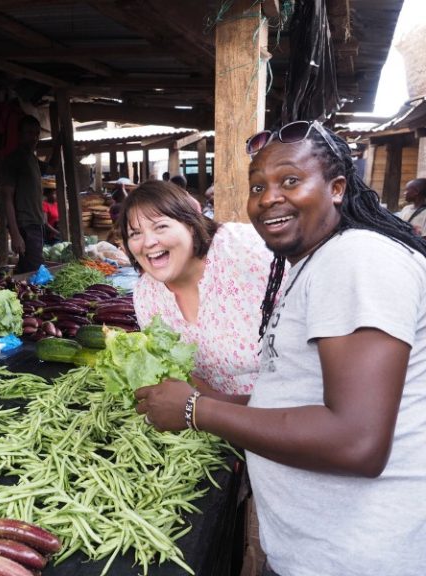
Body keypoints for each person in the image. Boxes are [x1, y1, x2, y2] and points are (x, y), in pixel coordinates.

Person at [134, 120, 426, 576]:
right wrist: (214, 400)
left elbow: (357, 442)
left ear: (336, 187)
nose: (268, 198)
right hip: (318, 548)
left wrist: (196, 411)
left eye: (290, 181)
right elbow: (298, 399)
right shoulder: (316, 265)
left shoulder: (358, 260)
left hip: (357, 556)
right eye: (257, 187)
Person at [119, 180, 276, 396]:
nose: (148, 242)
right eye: (135, 234)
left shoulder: (245, 249)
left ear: (191, 225)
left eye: (161, 226)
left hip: (300, 413)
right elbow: (181, 373)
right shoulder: (146, 296)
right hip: (216, 421)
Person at [0, 115, 45, 273]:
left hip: (35, 223)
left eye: (37, 133)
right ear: (19, 135)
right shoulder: (13, 159)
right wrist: (15, 233)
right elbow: (7, 198)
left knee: (30, 268)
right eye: (29, 133)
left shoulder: (32, 158)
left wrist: (59, 144)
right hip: (25, 224)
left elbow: (53, 168)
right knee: (33, 269)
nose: (34, 137)